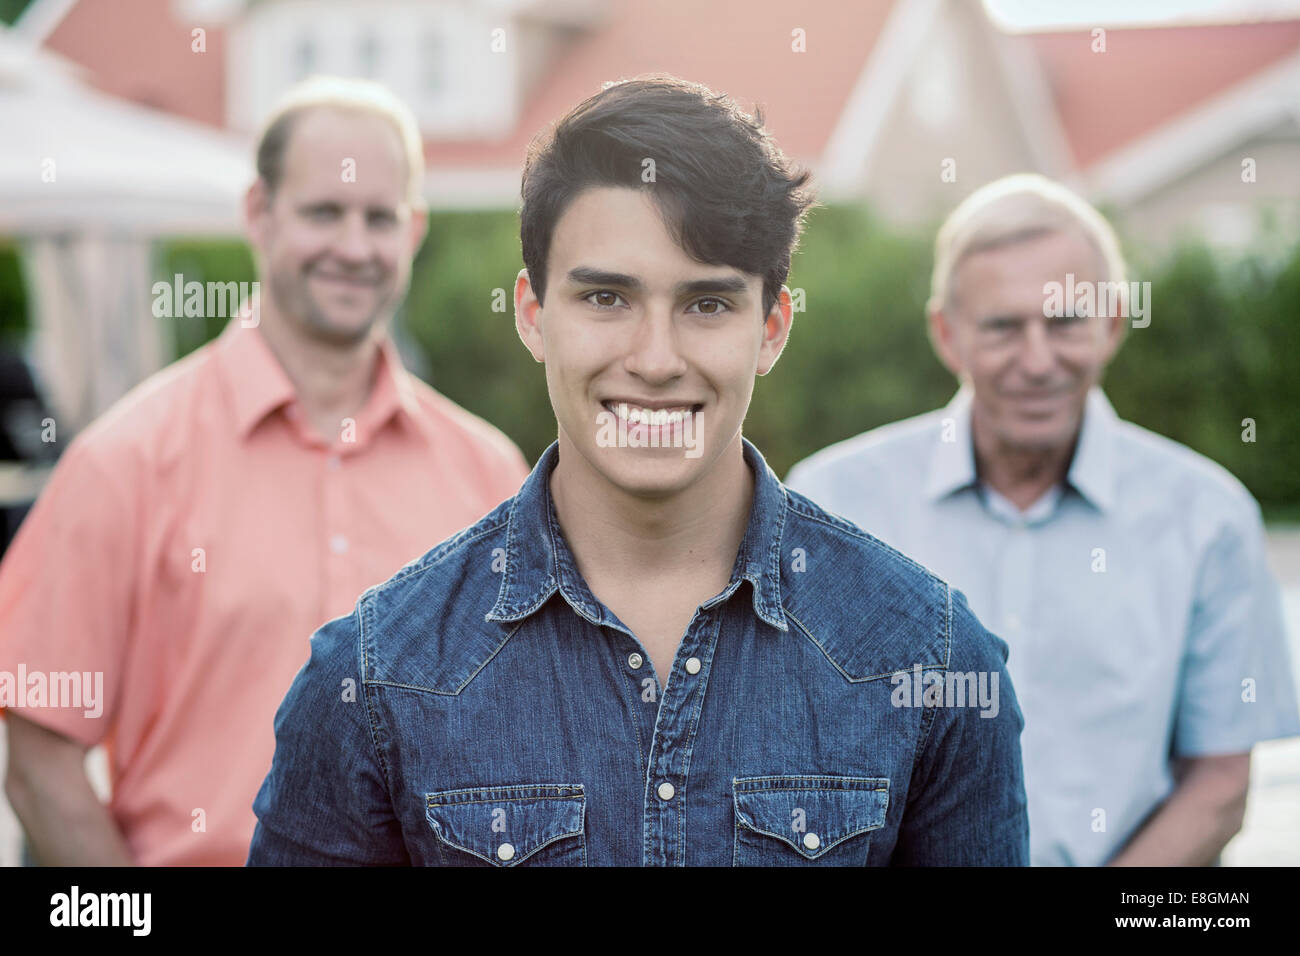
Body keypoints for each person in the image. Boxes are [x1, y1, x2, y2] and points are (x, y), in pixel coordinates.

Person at [247, 74, 1028, 867]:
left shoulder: (932, 661)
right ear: (532, 313)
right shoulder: (374, 678)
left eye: (707, 304)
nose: (655, 360)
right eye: (607, 298)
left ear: (773, 328)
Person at [0, 76, 531, 866]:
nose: (353, 247)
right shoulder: (124, 462)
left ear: (413, 229)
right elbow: (40, 763)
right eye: (324, 212)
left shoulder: (488, 474)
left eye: (378, 217)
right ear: (259, 212)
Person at [786, 173, 1300, 866]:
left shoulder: (1208, 519)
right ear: (948, 334)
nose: (1037, 360)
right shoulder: (835, 501)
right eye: (1002, 326)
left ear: (1112, 322)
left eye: (1064, 323)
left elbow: (1219, 782)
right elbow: (791, 753)